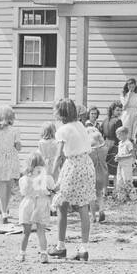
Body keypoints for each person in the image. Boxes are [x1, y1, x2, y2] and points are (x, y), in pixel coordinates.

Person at [49, 99, 99, 262]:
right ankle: (84, 248)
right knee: (83, 205)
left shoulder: (63, 130)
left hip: (74, 165)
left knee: (62, 204)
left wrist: (51, 175)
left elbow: (59, 155)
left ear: (60, 113)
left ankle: (61, 246)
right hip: (87, 164)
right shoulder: (80, 126)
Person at [17, 150, 56, 264]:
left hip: (28, 203)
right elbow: (52, 189)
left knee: (26, 232)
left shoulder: (24, 179)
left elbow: (23, 192)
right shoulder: (47, 178)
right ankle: (43, 254)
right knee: (41, 231)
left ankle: (22, 254)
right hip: (42, 204)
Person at [120, 79, 137, 149]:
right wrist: (128, 95)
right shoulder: (124, 95)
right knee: (127, 131)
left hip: (135, 113)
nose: (132, 87)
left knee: (134, 133)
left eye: (133, 85)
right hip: (127, 114)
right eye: (130, 85)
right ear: (127, 86)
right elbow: (124, 106)